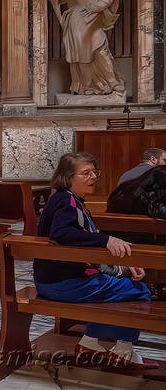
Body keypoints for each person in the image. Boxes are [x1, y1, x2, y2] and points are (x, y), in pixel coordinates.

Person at [35, 151, 158, 371]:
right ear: (68, 177)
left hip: (55, 279)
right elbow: (62, 233)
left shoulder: (70, 200)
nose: (93, 177)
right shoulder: (66, 201)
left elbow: (83, 246)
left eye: (94, 172)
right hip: (65, 283)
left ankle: (90, 343)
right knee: (139, 290)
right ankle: (123, 352)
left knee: (123, 286)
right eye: (85, 173)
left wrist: (123, 267)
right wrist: (106, 239)